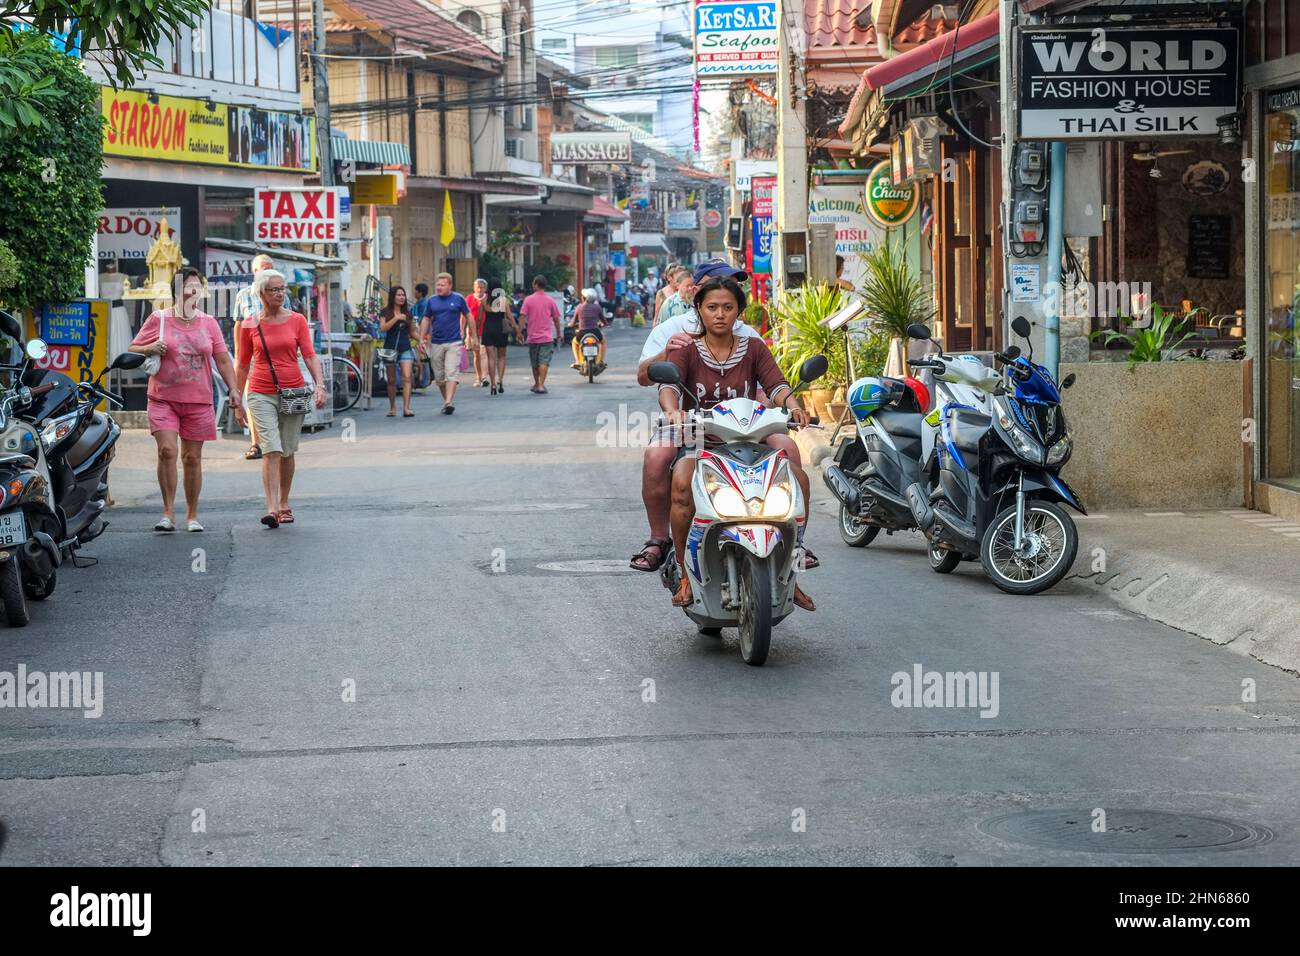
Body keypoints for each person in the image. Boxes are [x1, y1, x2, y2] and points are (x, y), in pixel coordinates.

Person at [658, 274, 816, 611]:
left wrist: (794, 406)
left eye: (728, 307)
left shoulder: (754, 348)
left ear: (738, 312)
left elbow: (777, 384)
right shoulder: (685, 349)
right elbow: (668, 388)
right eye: (712, 307)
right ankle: (686, 575)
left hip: (751, 444)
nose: (719, 314)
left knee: (797, 481)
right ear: (698, 309)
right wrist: (673, 412)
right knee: (682, 483)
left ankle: (792, 572)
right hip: (704, 443)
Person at [631, 260, 762, 574]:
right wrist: (666, 361)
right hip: (689, 421)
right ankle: (659, 539)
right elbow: (648, 378)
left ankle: (790, 535)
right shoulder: (673, 331)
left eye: (732, 290)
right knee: (657, 456)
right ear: (698, 293)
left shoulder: (749, 335)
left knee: (786, 448)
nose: (722, 311)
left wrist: (779, 410)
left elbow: (766, 384)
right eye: (717, 289)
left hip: (740, 424)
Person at [129, 268, 244, 533]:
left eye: (197, 286)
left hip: (199, 400)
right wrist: (149, 348)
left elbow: (223, 359)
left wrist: (234, 390)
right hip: (163, 398)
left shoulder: (209, 323)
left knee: (192, 457)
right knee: (167, 451)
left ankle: (192, 514)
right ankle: (168, 512)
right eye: (187, 287)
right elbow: (132, 348)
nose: (193, 291)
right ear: (176, 292)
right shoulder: (158, 319)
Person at [234, 269, 327, 528]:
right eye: (274, 289)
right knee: (271, 449)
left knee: (287, 450)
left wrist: (319, 385)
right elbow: (242, 365)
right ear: (261, 293)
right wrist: (236, 398)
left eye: (282, 288)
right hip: (260, 392)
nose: (280, 293)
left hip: (293, 392)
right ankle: (272, 507)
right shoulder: (250, 323)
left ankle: (285, 502)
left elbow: (309, 355)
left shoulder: (297, 320)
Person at [232, 253, 275, 460]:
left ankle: (274, 440)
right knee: (253, 398)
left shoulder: (279, 293)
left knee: (275, 398)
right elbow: (238, 326)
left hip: (276, 357)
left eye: (270, 267)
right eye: (263, 268)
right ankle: (256, 444)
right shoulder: (244, 295)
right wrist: (239, 354)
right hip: (252, 356)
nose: (267, 271)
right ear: (255, 272)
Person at [418, 272, 472, 415]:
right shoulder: (432, 300)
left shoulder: (458, 299)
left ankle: (448, 402)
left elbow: (468, 315)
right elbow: (426, 319)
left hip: (454, 342)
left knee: (451, 372)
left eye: (443, 285)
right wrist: (421, 338)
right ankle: (447, 401)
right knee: (440, 377)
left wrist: (474, 336)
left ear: (450, 286)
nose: (439, 287)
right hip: (436, 342)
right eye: (438, 284)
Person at [379, 285, 417, 418]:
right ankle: (393, 407)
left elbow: (412, 332)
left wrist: (422, 340)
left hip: (405, 347)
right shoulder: (385, 312)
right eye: (399, 295)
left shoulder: (408, 313)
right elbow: (383, 328)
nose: (402, 297)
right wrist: (396, 318)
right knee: (391, 380)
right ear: (393, 297)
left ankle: (406, 408)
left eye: (403, 295)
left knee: (407, 377)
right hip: (390, 349)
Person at [520, 276, 562, 394]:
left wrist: (519, 332)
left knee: (535, 362)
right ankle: (541, 385)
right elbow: (556, 319)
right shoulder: (550, 300)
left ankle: (537, 383)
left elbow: (522, 317)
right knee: (543, 361)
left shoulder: (528, 300)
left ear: (536, 284)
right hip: (546, 337)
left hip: (533, 337)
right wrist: (559, 334)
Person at [482, 288, 518, 395]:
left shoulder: (484, 301)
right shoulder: (503, 301)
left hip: (488, 329)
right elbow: (510, 316)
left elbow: (479, 318)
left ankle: (493, 384)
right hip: (501, 329)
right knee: (501, 357)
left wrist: (477, 330)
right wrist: (516, 329)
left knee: (491, 358)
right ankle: (500, 380)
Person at [569, 288, 607, 371]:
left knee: (574, 343)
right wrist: (604, 324)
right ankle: (601, 361)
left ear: (584, 298)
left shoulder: (579, 307)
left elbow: (573, 322)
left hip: (582, 332)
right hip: (595, 332)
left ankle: (577, 362)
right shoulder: (598, 307)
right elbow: (604, 321)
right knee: (603, 342)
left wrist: (571, 325)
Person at [467, 278, 490, 388]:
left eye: (481, 287)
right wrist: (462, 329)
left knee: (484, 353)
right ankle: (478, 376)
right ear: (474, 288)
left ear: (485, 288)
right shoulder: (469, 299)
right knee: (476, 354)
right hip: (473, 330)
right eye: (477, 287)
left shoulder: (489, 299)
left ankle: (484, 377)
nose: (479, 289)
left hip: (486, 329)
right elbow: (463, 316)